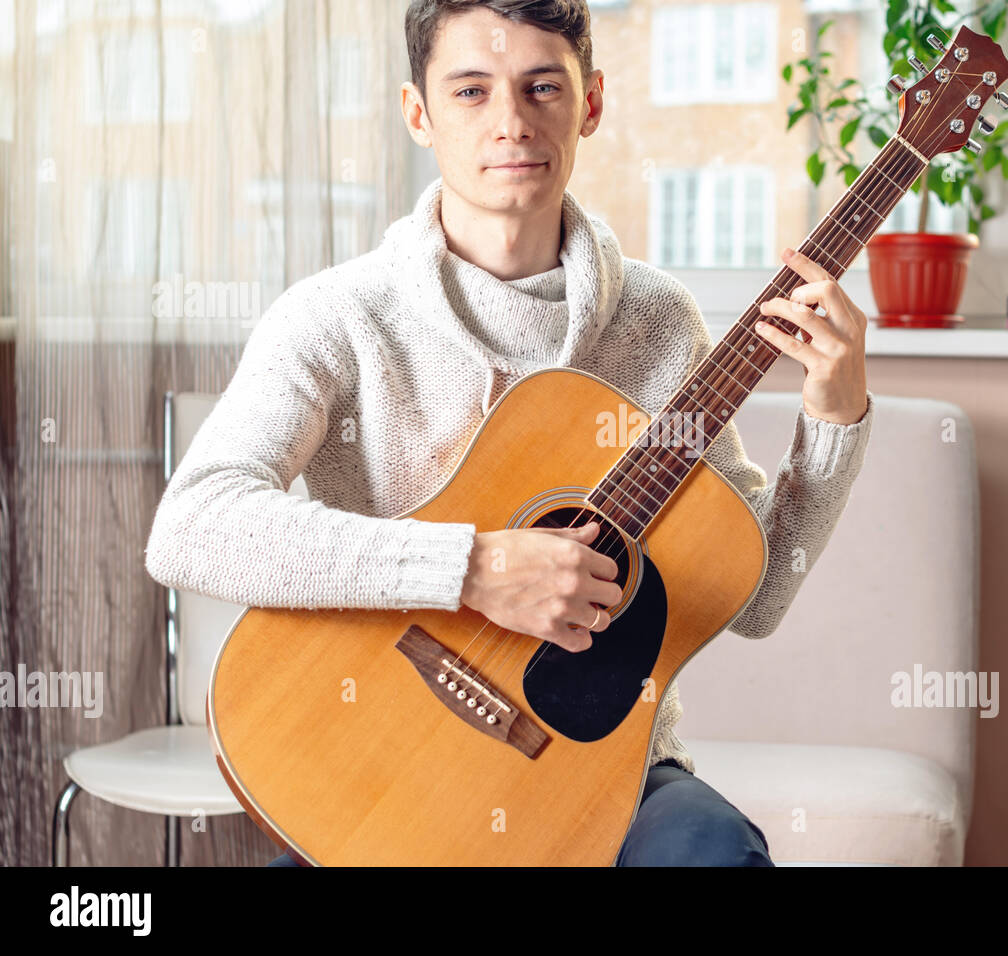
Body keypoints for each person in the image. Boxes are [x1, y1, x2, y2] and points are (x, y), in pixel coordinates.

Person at [145, 0, 875, 867]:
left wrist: (834, 418)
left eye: (541, 87)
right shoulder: (337, 316)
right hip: (383, 753)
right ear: (418, 113)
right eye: (470, 90)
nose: (511, 122)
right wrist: (473, 569)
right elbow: (193, 526)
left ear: (591, 104)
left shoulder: (659, 322)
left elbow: (753, 602)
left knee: (713, 853)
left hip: (595, 766)